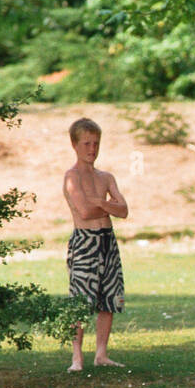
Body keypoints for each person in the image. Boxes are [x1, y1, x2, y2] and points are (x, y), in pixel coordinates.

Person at [62, 117, 129, 371]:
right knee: (80, 300)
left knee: (110, 298)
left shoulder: (106, 177)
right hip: (85, 242)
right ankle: (76, 357)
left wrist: (100, 202)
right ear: (75, 145)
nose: (92, 149)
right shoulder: (72, 176)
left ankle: (101, 353)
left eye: (96, 143)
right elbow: (85, 211)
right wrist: (105, 204)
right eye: (87, 143)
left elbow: (123, 210)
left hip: (108, 241)